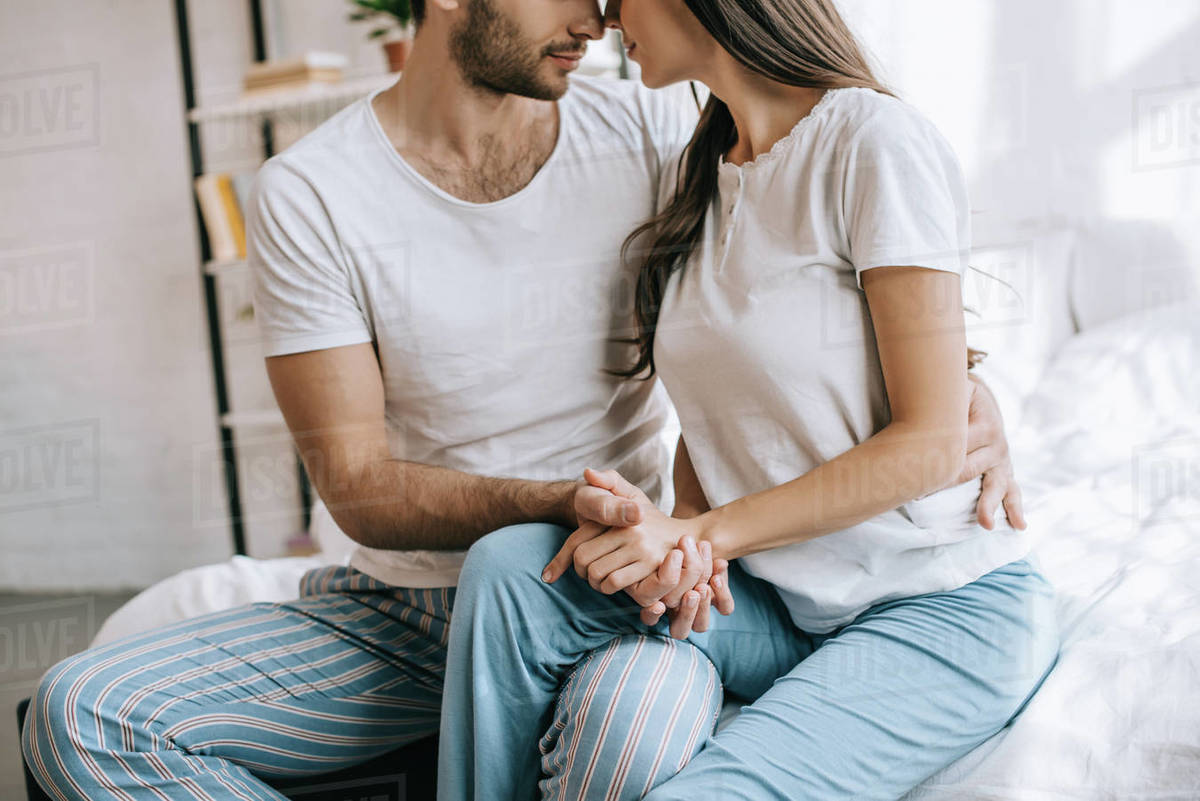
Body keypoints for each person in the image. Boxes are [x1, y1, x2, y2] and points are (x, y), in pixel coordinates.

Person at [21, 0, 1023, 799]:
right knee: (81, 714)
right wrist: (558, 502)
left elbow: (818, 292)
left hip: (624, 592)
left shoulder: (660, 127)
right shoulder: (307, 194)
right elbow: (358, 489)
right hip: (412, 606)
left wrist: (964, 394)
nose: (597, 17)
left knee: (627, 745)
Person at [436, 1, 1059, 799]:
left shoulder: (873, 142)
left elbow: (932, 440)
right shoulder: (706, 174)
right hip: (776, 603)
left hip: (939, 607)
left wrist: (701, 529)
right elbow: (721, 410)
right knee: (509, 570)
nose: (604, 12)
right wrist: (692, 551)